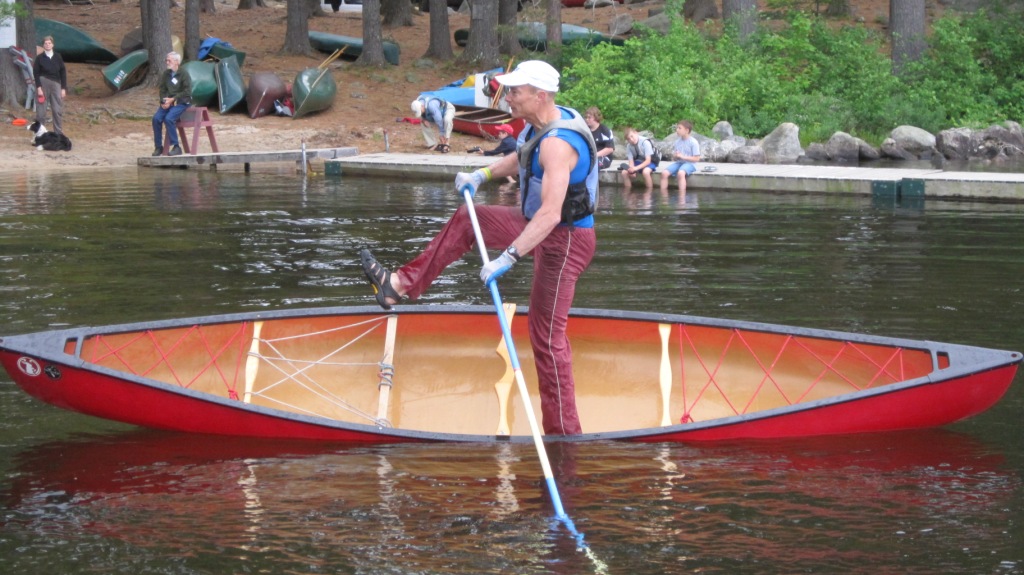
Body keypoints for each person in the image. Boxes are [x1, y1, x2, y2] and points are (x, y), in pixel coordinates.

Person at [360, 60, 599, 436]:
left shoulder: (558, 145)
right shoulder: (539, 126)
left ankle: (564, 437)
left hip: (565, 241)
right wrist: (482, 174)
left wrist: (508, 257)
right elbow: (521, 159)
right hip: (538, 227)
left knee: (547, 340)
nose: (507, 97)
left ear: (540, 95)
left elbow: (551, 215)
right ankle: (399, 285)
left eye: (515, 91)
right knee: (467, 219)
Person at [152, 52, 192, 157]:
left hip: (182, 102)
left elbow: (187, 92)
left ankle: (176, 146)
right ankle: (158, 147)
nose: (167, 62)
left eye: (169, 60)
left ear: (177, 62)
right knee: (156, 119)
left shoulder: (184, 74)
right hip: (169, 102)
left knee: (169, 119)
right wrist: (163, 101)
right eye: (167, 60)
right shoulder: (166, 74)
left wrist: (173, 99)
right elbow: (162, 89)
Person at [33, 36, 67, 136]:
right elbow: (36, 73)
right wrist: (39, 88)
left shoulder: (58, 56)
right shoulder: (39, 58)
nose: (47, 45)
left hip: (56, 84)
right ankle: (39, 134)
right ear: (43, 45)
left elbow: (63, 72)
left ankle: (58, 133)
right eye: (45, 43)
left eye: (49, 43)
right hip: (43, 84)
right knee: (41, 112)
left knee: (57, 110)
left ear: (52, 44)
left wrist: (63, 88)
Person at [659, 120, 701, 194]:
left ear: (687, 130)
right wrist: (675, 156)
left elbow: (696, 158)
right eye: (677, 128)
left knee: (681, 173)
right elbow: (676, 158)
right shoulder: (677, 142)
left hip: (690, 164)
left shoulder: (693, 142)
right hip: (679, 163)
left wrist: (683, 157)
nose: (677, 130)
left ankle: (682, 196)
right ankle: (663, 196)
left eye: (679, 128)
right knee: (664, 173)